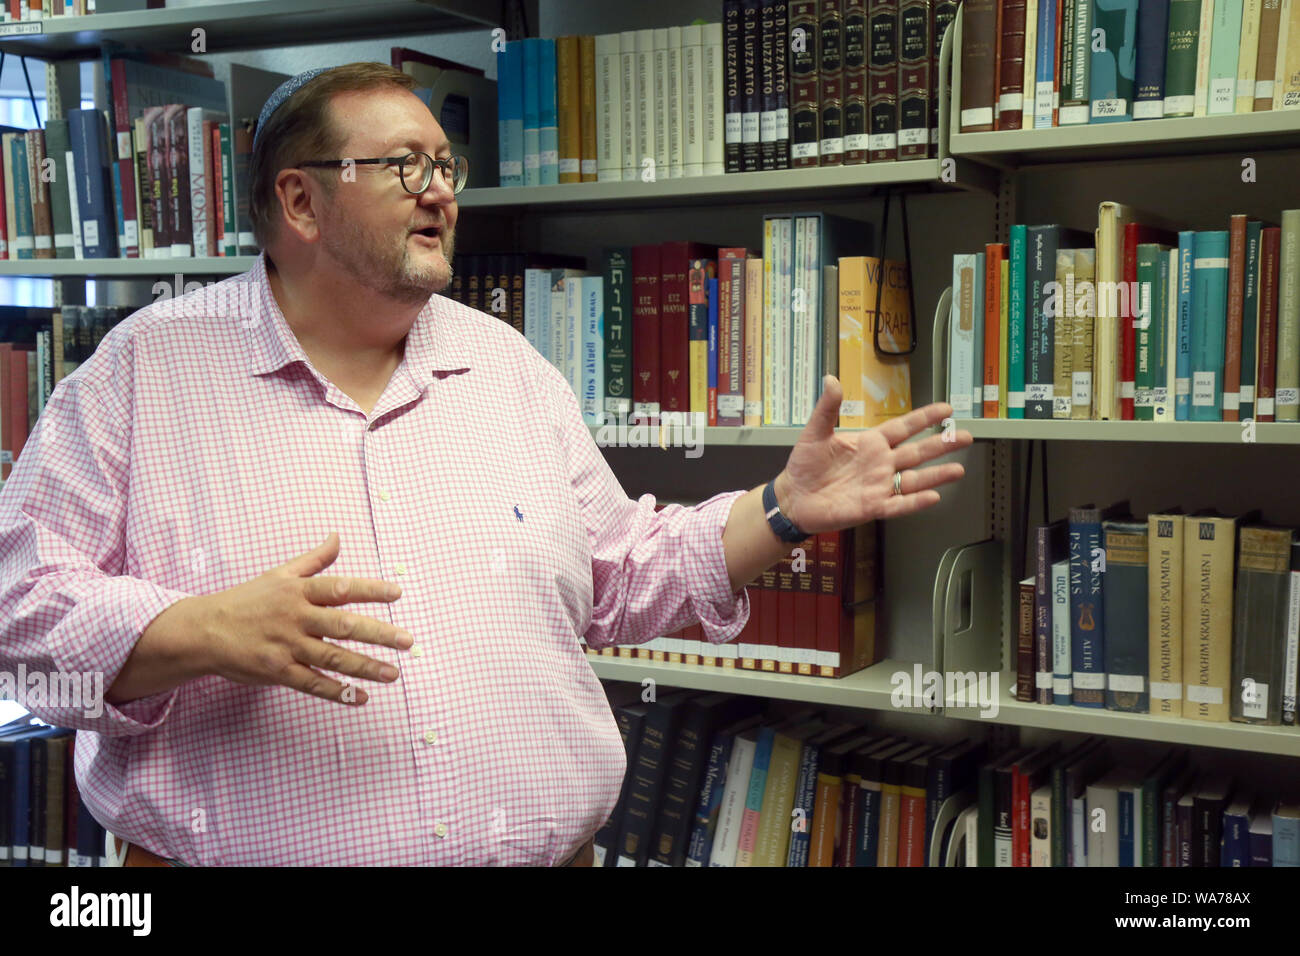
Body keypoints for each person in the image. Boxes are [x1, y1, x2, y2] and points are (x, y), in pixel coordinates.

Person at [0, 63, 971, 866]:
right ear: (299, 198)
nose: (440, 189)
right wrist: (196, 628)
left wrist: (782, 508)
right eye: (403, 165)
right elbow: (19, 612)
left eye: (444, 163)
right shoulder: (146, 371)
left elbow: (616, 575)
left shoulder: (504, 362)